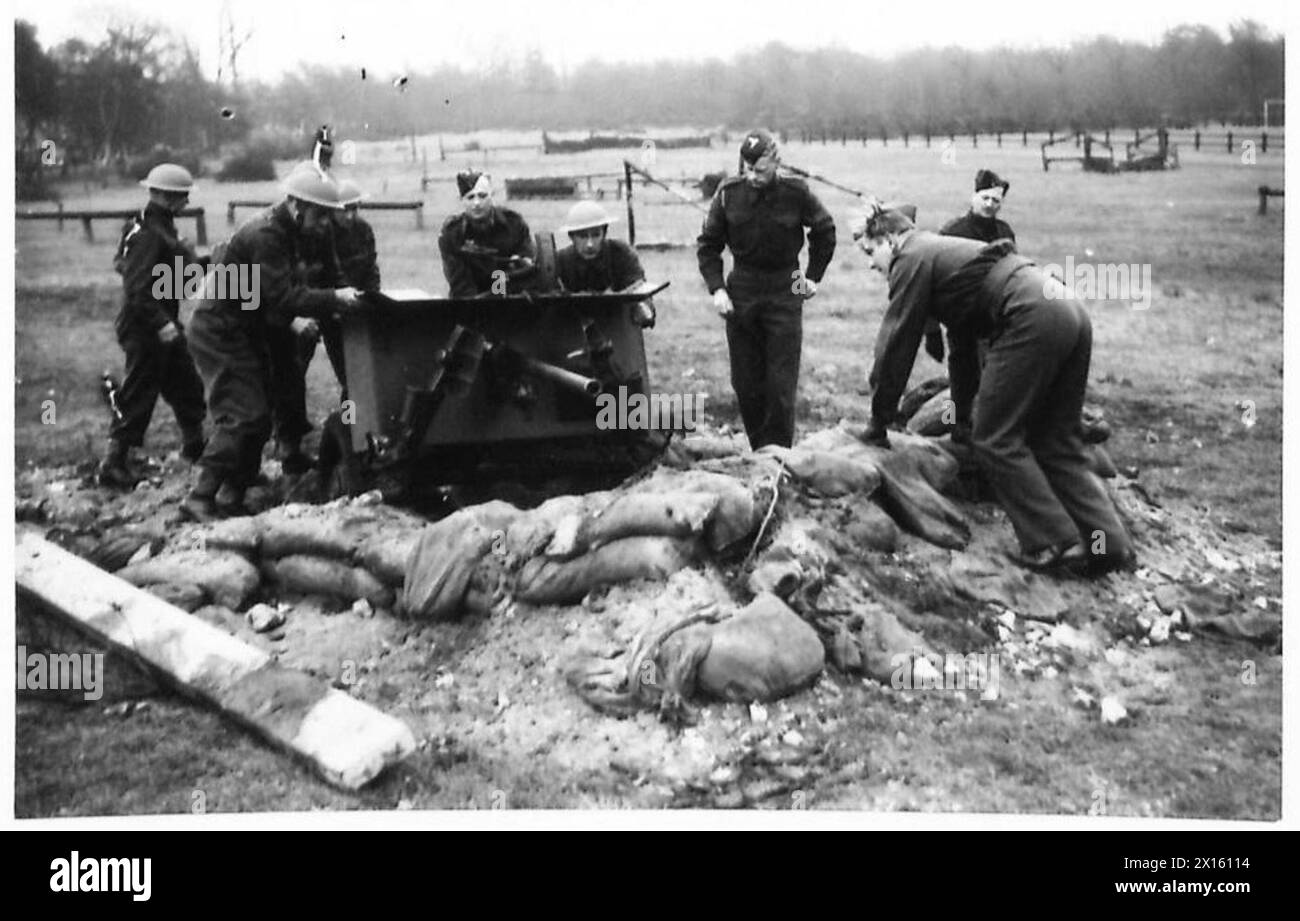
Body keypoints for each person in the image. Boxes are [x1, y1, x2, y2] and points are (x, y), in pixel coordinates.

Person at [855, 205, 1133, 575]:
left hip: (1031, 315)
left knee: (997, 437)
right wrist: (960, 419)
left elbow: (895, 344)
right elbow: (963, 353)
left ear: (890, 240)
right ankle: (1107, 544)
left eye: (870, 252)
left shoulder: (911, 257)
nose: (871, 265)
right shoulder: (944, 255)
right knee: (1055, 438)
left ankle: (1055, 541)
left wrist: (879, 417)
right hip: (1067, 310)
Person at [181, 166, 361, 520]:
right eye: (321, 215)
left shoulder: (303, 230)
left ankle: (235, 492)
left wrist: (348, 298)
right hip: (220, 328)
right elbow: (283, 297)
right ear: (296, 206)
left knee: (262, 415)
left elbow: (327, 276)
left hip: (251, 327)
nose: (327, 223)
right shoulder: (266, 234)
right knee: (243, 414)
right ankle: (199, 496)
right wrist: (336, 298)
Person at [696, 128, 836, 449]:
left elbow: (824, 230)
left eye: (759, 169)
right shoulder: (729, 193)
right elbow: (708, 245)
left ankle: (779, 455)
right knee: (745, 384)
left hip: (784, 290)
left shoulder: (796, 193)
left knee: (780, 385)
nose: (752, 176)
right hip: (742, 291)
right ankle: (759, 449)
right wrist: (717, 289)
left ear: (776, 163)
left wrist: (812, 278)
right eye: (746, 168)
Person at [99, 163, 209, 488]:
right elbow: (136, 287)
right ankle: (113, 463)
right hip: (145, 326)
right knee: (139, 392)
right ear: (164, 195)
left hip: (161, 322)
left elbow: (159, 273)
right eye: (180, 195)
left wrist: (201, 262)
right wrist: (161, 323)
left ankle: (194, 447)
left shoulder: (155, 226)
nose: (186, 201)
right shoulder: (149, 232)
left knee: (186, 384)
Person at [926, 169, 1016, 364]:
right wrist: (931, 331)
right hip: (961, 321)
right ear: (974, 197)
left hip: (995, 320)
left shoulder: (1004, 232)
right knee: (963, 379)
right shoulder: (953, 232)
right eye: (985, 198)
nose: (990, 205)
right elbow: (931, 281)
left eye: (996, 201)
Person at [555, 200, 655, 326]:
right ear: (571, 237)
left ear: (604, 233)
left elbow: (639, 287)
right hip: (575, 330)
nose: (589, 244)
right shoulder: (561, 261)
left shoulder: (621, 254)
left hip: (618, 325)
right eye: (583, 237)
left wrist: (644, 309)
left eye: (596, 235)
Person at [438, 170, 535, 296]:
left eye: (482, 196)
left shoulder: (514, 224)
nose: (477, 203)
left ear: (492, 196)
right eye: (470, 197)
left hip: (513, 296)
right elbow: (460, 284)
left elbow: (528, 266)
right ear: (462, 200)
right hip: (471, 302)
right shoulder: (452, 235)